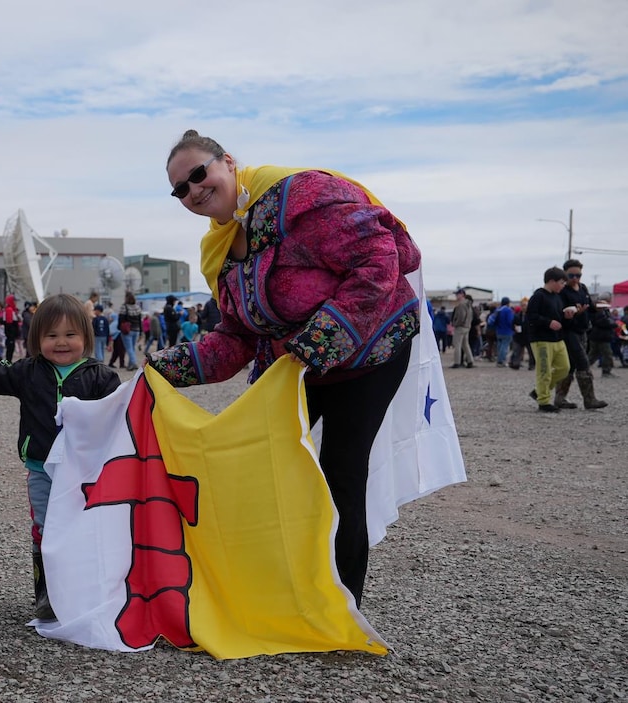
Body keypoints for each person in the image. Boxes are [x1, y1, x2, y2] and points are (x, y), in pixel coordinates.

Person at [148, 130, 421, 606]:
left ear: (228, 162)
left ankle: (340, 606)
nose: (193, 190)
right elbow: (237, 338)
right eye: (180, 189)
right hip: (297, 364)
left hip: (368, 356)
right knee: (254, 462)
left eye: (199, 173)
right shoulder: (220, 249)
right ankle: (271, 586)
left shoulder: (302, 196)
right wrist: (164, 369)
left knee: (341, 469)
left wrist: (322, 339)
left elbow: (380, 259)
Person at [0, 293, 120, 620]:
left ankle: (88, 591)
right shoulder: (29, 371)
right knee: (46, 529)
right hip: (41, 469)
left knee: (85, 529)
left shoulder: (102, 378)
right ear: (36, 339)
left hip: (86, 473)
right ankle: (47, 595)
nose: (61, 343)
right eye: (51, 336)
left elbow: (121, 414)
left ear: (86, 337)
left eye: (70, 335)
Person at [554, 259, 607, 409]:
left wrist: (596, 307)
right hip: (569, 332)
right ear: (565, 275)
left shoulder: (582, 288)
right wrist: (573, 314)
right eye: (571, 275)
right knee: (583, 364)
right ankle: (589, 399)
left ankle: (559, 398)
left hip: (583, 330)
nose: (575, 278)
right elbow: (559, 313)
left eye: (578, 275)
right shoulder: (562, 291)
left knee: (569, 366)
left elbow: (589, 306)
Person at [525, 267, 570, 412]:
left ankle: (539, 392)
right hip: (541, 340)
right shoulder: (538, 296)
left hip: (557, 338)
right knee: (544, 371)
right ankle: (543, 401)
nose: (563, 286)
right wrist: (548, 322)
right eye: (561, 282)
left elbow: (558, 316)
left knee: (564, 368)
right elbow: (531, 316)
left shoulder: (557, 297)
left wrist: (567, 316)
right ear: (551, 281)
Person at [587, 302, 616, 378]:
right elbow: (605, 322)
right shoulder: (600, 313)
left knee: (593, 354)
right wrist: (614, 324)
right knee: (607, 354)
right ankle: (606, 371)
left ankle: (583, 367)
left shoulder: (600, 312)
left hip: (598, 336)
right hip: (601, 337)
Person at [117, 291, 143, 371]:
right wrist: (141, 332)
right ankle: (130, 365)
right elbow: (140, 320)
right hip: (137, 330)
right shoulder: (137, 307)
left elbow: (121, 319)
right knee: (132, 348)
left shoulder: (124, 307)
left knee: (129, 348)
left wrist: (119, 327)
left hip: (127, 330)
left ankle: (134, 363)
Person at [487, 297, 515, 367]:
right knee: (505, 347)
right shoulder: (508, 310)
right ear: (508, 303)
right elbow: (510, 321)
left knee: (499, 346)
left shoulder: (498, 310)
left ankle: (498, 360)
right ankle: (501, 361)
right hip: (507, 331)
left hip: (498, 331)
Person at [450, 290, 474, 368]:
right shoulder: (469, 304)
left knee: (457, 345)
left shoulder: (461, 305)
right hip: (467, 326)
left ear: (462, 295)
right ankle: (470, 361)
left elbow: (461, 317)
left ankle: (457, 362)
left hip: (460, 327)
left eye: (457, 294)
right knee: (465, 345)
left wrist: (455, 324)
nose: (456, 296)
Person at [1, 294, 21, 362]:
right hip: (10, 334)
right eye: (14, 301)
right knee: (10, 349)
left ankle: (9, 362)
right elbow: (9, 324)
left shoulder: (12, 310)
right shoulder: (9, 310)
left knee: (11, 349)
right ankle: (8, 362)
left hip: (12, 334)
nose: (16, 302)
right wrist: (11, 335)